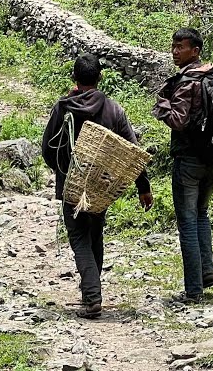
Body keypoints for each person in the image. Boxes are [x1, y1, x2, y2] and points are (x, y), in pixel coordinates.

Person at [42, 53, 154, 319]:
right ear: (100, 77)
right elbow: (132, 152)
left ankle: (92, 296)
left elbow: (48, 148)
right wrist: (143, 187)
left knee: (79, 238)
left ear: (74, 77)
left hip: (72, 185)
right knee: (95, 234)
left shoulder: (63, 108)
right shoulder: (113, 109)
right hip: (102, 186)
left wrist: (63, 172)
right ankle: (90, 291)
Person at [153, 28, 213, 303]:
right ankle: (207, 273)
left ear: (195, 51)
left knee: (187, 221)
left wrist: (162, 105)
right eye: (173, 46)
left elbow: (178, 121)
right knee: (201, 214)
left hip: (189, 160)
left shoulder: (187, 82)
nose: (175, 52)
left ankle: (194, 290)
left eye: (181, 47)